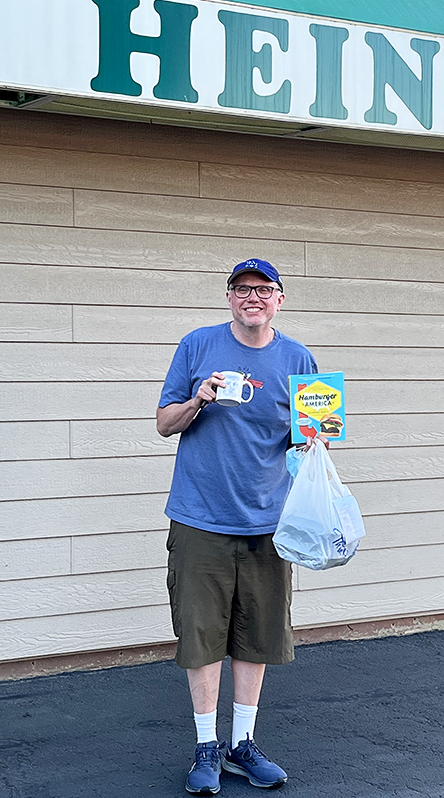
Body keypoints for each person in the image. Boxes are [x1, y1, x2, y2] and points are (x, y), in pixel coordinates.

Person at [157, 258, 319, 795]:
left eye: (264, 289)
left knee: (257, 636)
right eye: (242, 288)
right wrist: (198, 398)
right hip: (200, 518)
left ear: (280, 299)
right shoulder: (197, 345)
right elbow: (164, 423)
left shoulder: (298, 358)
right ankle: (206, 748)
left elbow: (306, 436)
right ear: (229, 297)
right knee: (201, 636)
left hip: (268, 523)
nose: (253, 297)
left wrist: (316, 439)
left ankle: (241, 745)